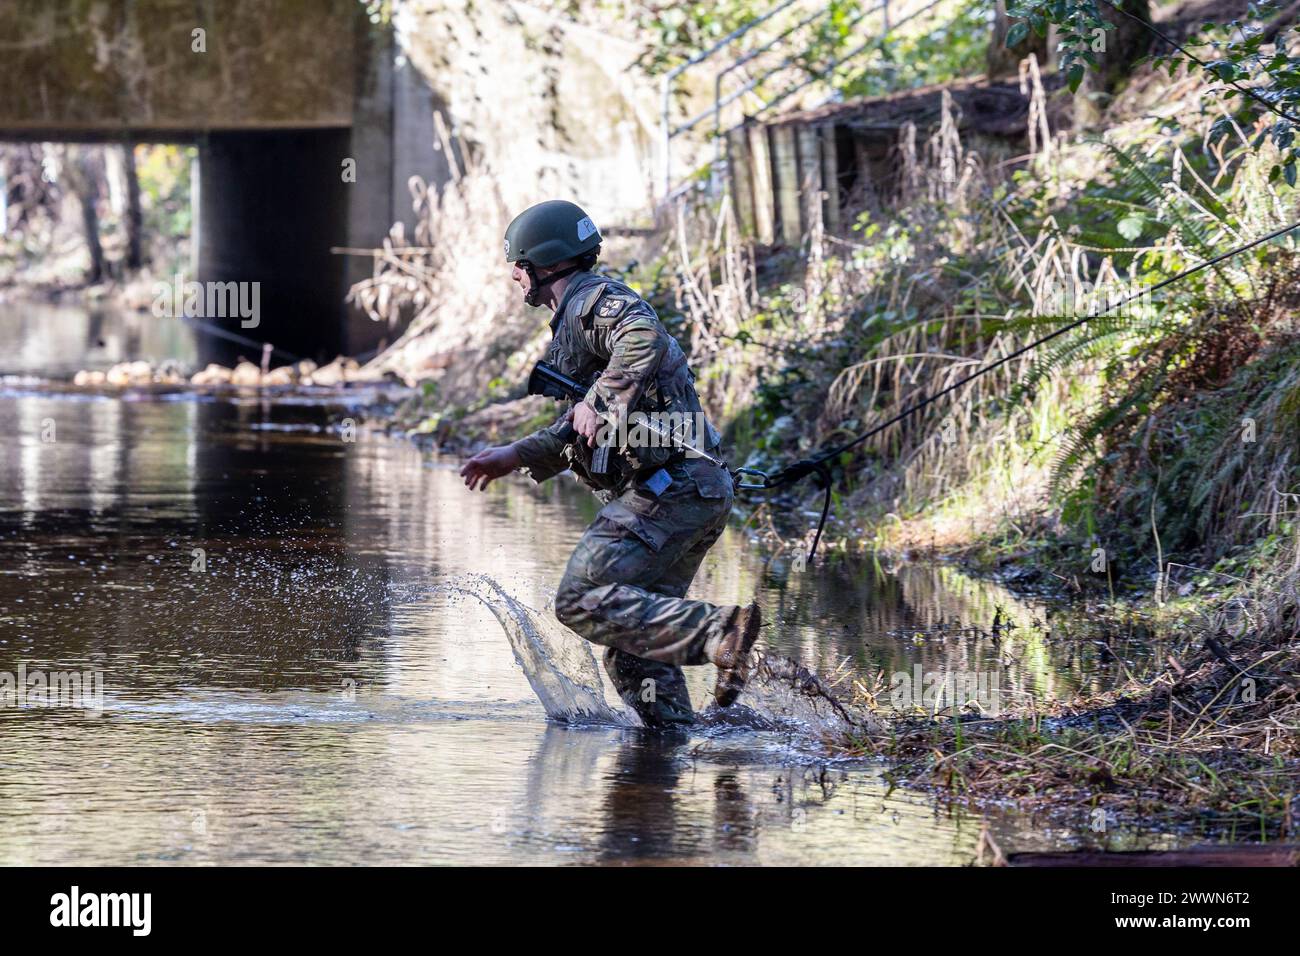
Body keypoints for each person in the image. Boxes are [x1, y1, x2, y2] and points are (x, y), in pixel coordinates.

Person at [459, 199, 761, 729]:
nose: (513, 274)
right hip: (691, 489)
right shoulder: (576, 310)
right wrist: (517, 455)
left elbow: (641, 336)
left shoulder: (593, 301)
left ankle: (720, 632)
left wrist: (601, 402)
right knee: (631, 650)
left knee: (580, 600)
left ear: (543, 264)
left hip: (670, 489)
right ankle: (678, 743)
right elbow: (579, 427)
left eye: (518, 264)